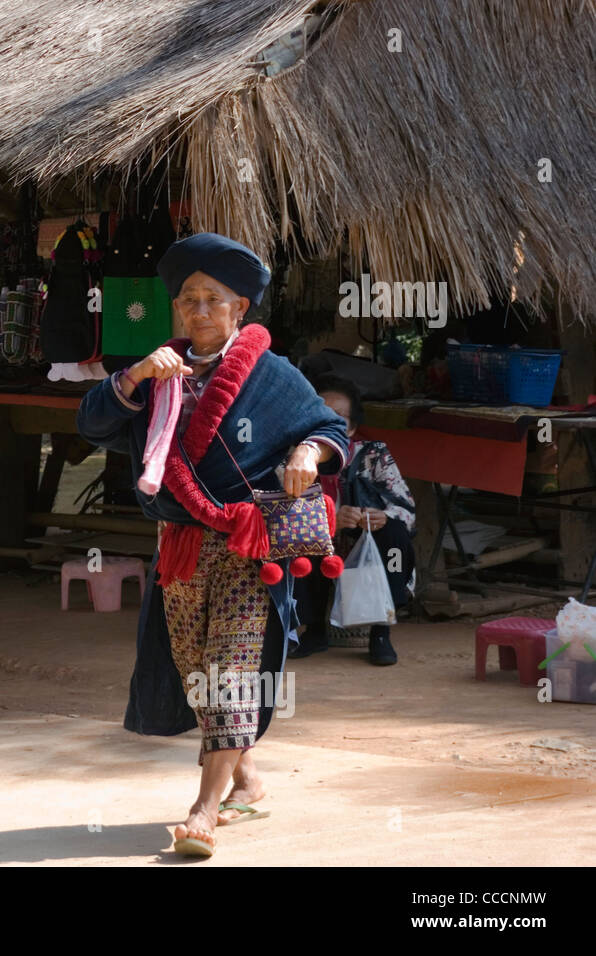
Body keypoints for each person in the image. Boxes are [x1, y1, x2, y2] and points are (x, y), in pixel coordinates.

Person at [77, 232, 348, 858]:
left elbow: (330, 428)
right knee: (197, 666)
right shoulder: (154, 369)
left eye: (214, 299)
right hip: (179, 545)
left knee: (232, 667)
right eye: (189, 299)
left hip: (248, 544)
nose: (199, 311)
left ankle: (202, 807)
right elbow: (90, 424)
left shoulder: (273, 376)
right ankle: (246, 778)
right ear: (176, 310)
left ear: (240, 309)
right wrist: (139, 373)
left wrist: (308, 450)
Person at [289, 375, 415, 665]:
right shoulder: (295, 458)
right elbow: (278, 513)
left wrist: (382, 516)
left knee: (394, 534)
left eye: (337, 417)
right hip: (320, 549)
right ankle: (314, 630)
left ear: (353, 428)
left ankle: (381, 632)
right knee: (299, 535)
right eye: (318, 414)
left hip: (364, 546)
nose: (326, 422)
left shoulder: (374, 454)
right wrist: (328, 517)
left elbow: (407, 510)